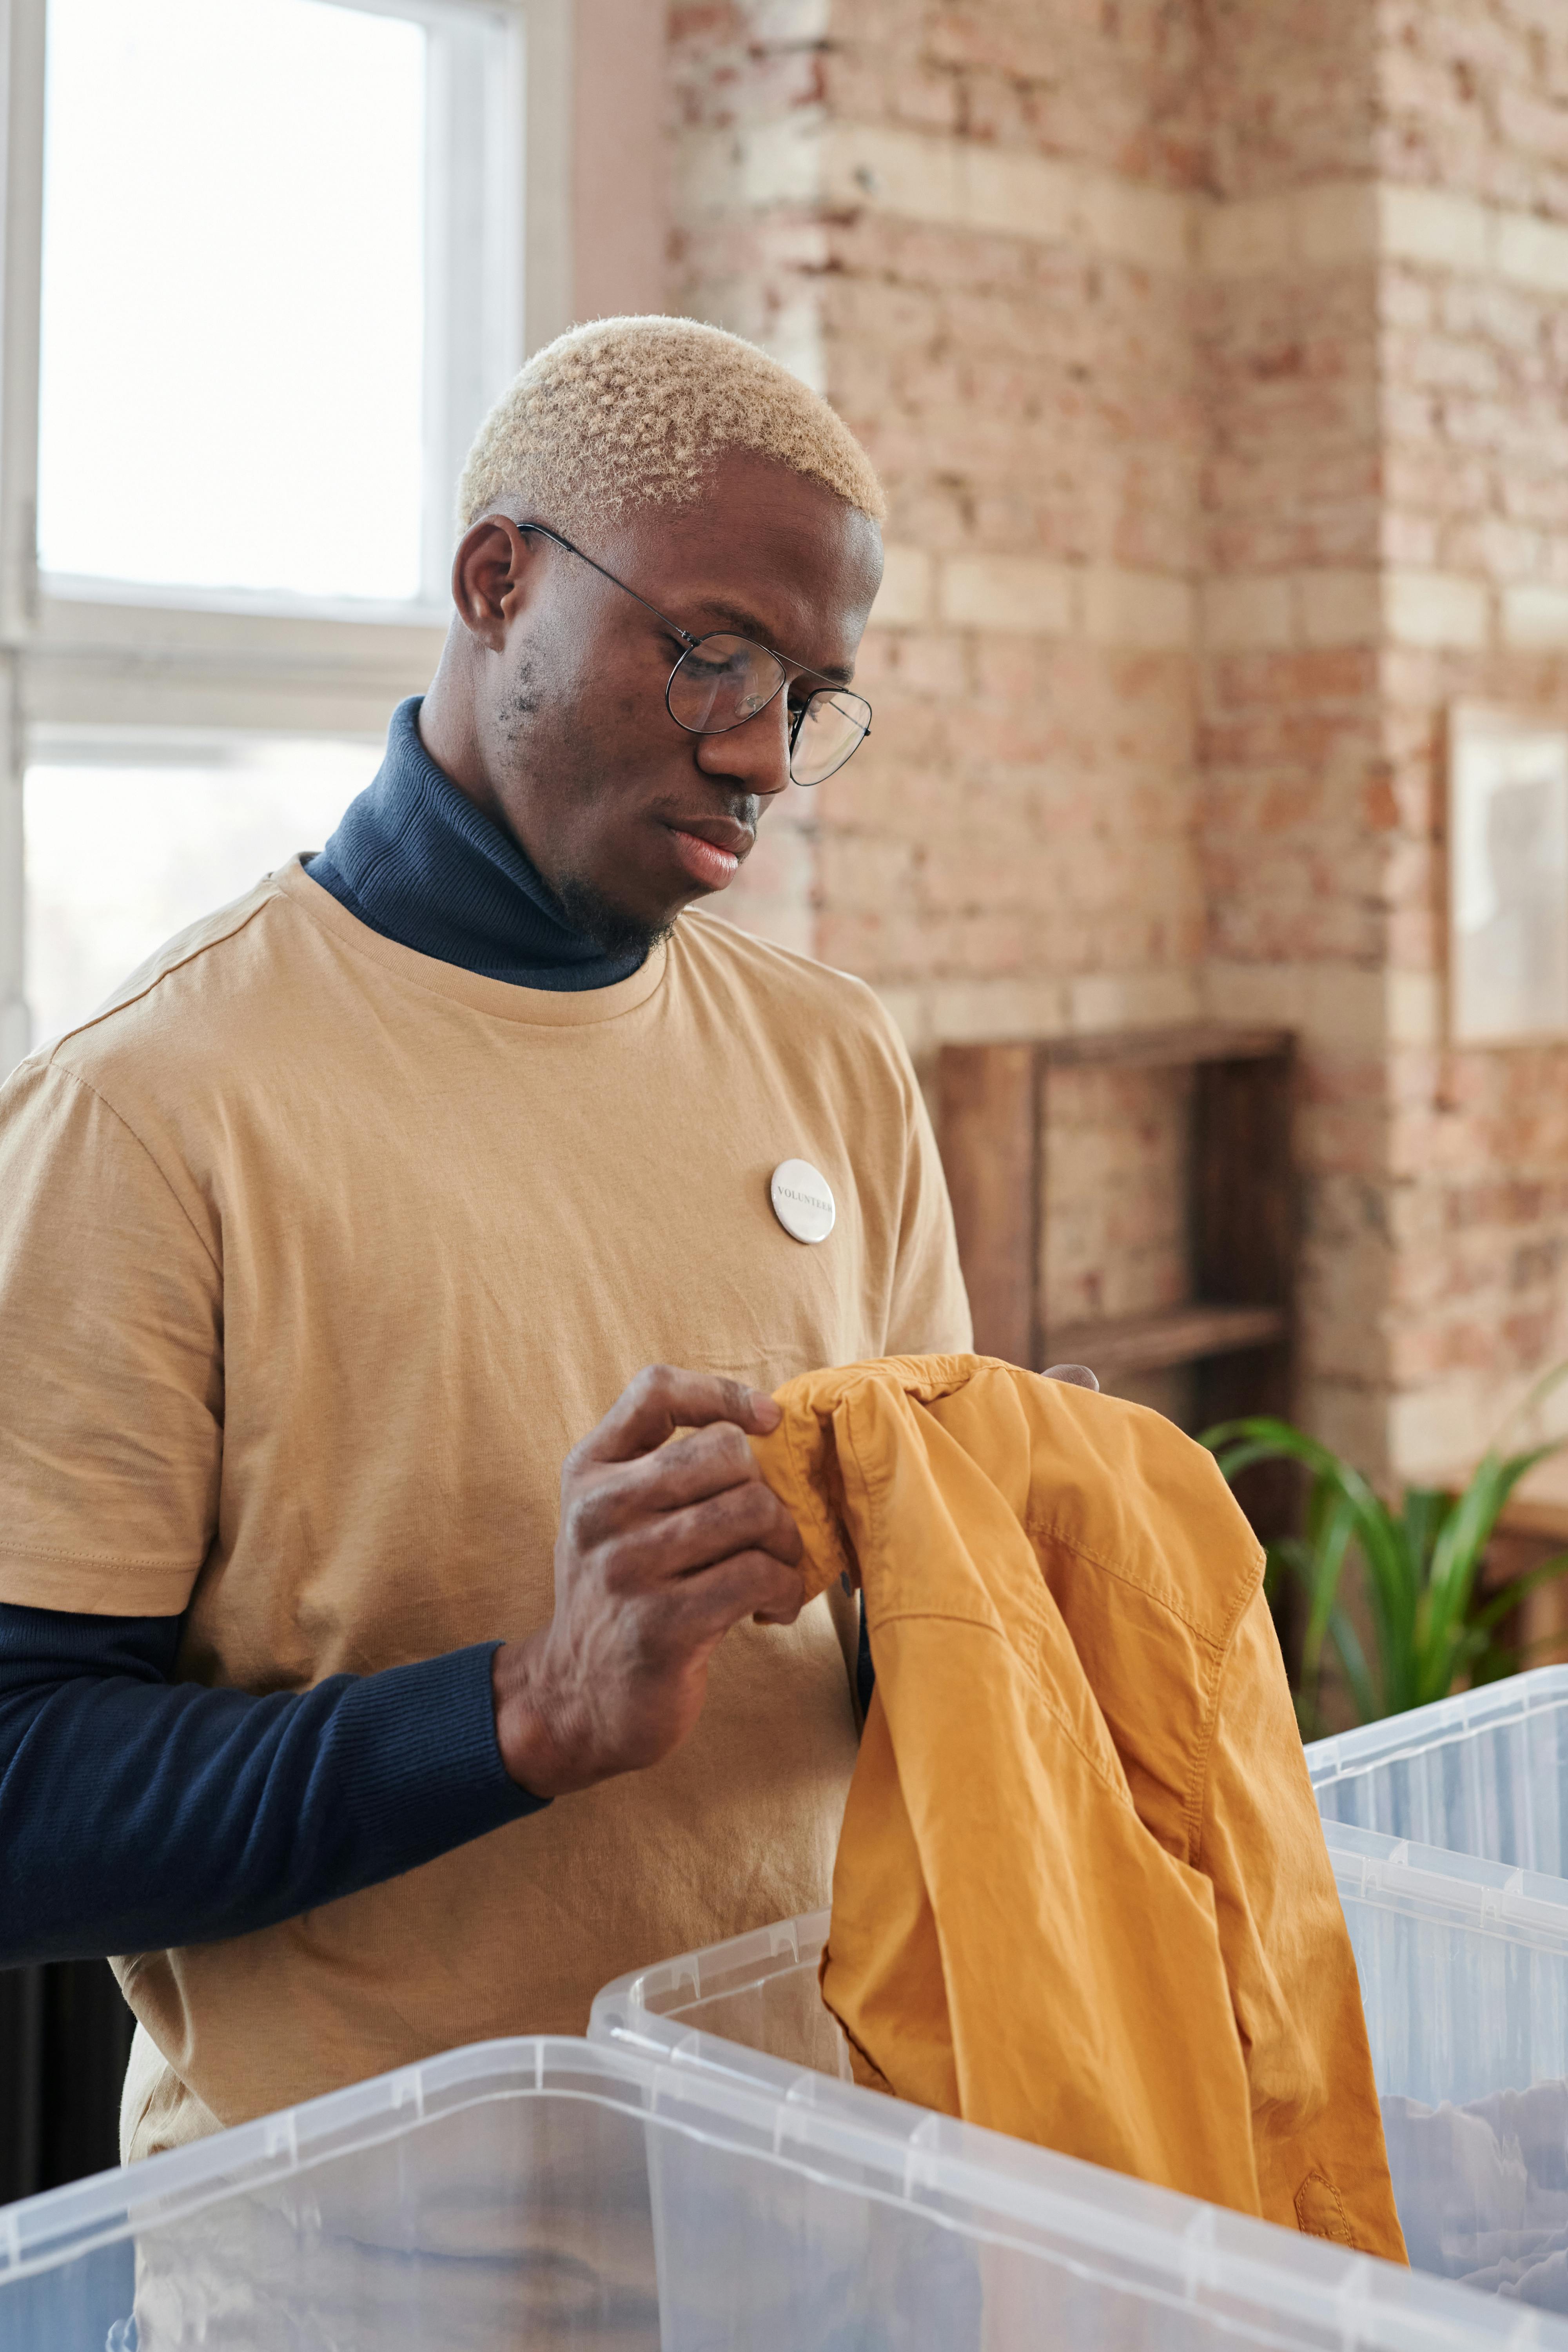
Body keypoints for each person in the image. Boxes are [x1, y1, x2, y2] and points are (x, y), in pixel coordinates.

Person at [0, 316, 971, 2159]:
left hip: (807, 2199)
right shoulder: (153, 1106)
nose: (761, 752)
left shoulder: (835, 1062)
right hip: (357, 2254)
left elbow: (911, 1639)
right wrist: (525, 1708)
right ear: (495, 580)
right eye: (709, 655)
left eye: (811, 691)